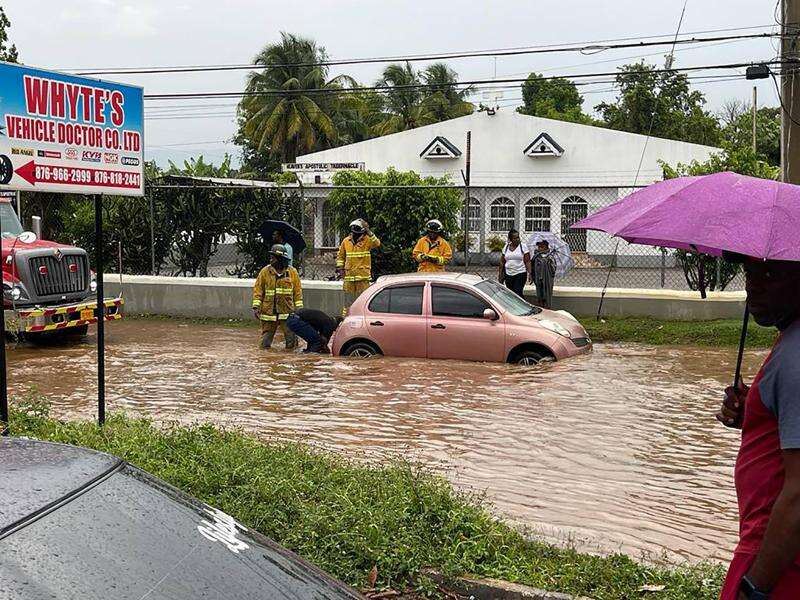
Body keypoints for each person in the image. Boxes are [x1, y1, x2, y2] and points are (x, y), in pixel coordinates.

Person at [715, 256, 800, 599]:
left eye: (770, 273)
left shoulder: (795, 357)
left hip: (775, 552)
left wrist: (755, 587)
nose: (753, 286)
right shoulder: (791, 340)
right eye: (750, 273)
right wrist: (755, 409)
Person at [252, 244, 303, 350]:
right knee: (265, 342)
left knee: (291, 341)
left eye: (273, 257)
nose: (270, 260)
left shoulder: (292, 273)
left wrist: (300, 310)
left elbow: (297, 292)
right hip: (268, 313)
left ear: (280, 259)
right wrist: (256, 307)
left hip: (287, 313)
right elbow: (258, 290)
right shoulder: (265, 272)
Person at [337, 219, 380, 315]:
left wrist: (369, 231)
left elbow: (377, 243)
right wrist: (340, 269)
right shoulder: (346, 241)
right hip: (348, 279)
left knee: (363, 301)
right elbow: (340, 256)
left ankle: (361, 318)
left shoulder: (367, 241)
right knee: (348, 303)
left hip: (363, 278)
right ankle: (345, 318)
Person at [499, 229, 531, 298]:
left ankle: (523, 307)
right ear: (510, 239)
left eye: (518, 237)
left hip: (520, 273)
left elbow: (527, 261)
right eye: (515, 238)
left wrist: (530, 273)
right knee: (511, 293)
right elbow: (502, 261)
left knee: (518, 292)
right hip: (508, 274)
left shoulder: (523, 246)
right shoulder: (506, 247)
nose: (517, 239)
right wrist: (500, 275)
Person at [532, 240, 557, 308]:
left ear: (546, 247)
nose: (540, 249)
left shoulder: (550, 256)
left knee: (547, 294)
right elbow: (533, 267)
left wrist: (548, 263)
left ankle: (547, 307)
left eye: (542, 247)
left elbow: (553, 269)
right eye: (539, 247)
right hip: (538, 278)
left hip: (547, 279)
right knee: (539, 294)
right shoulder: (536, 256)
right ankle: (540, 306)